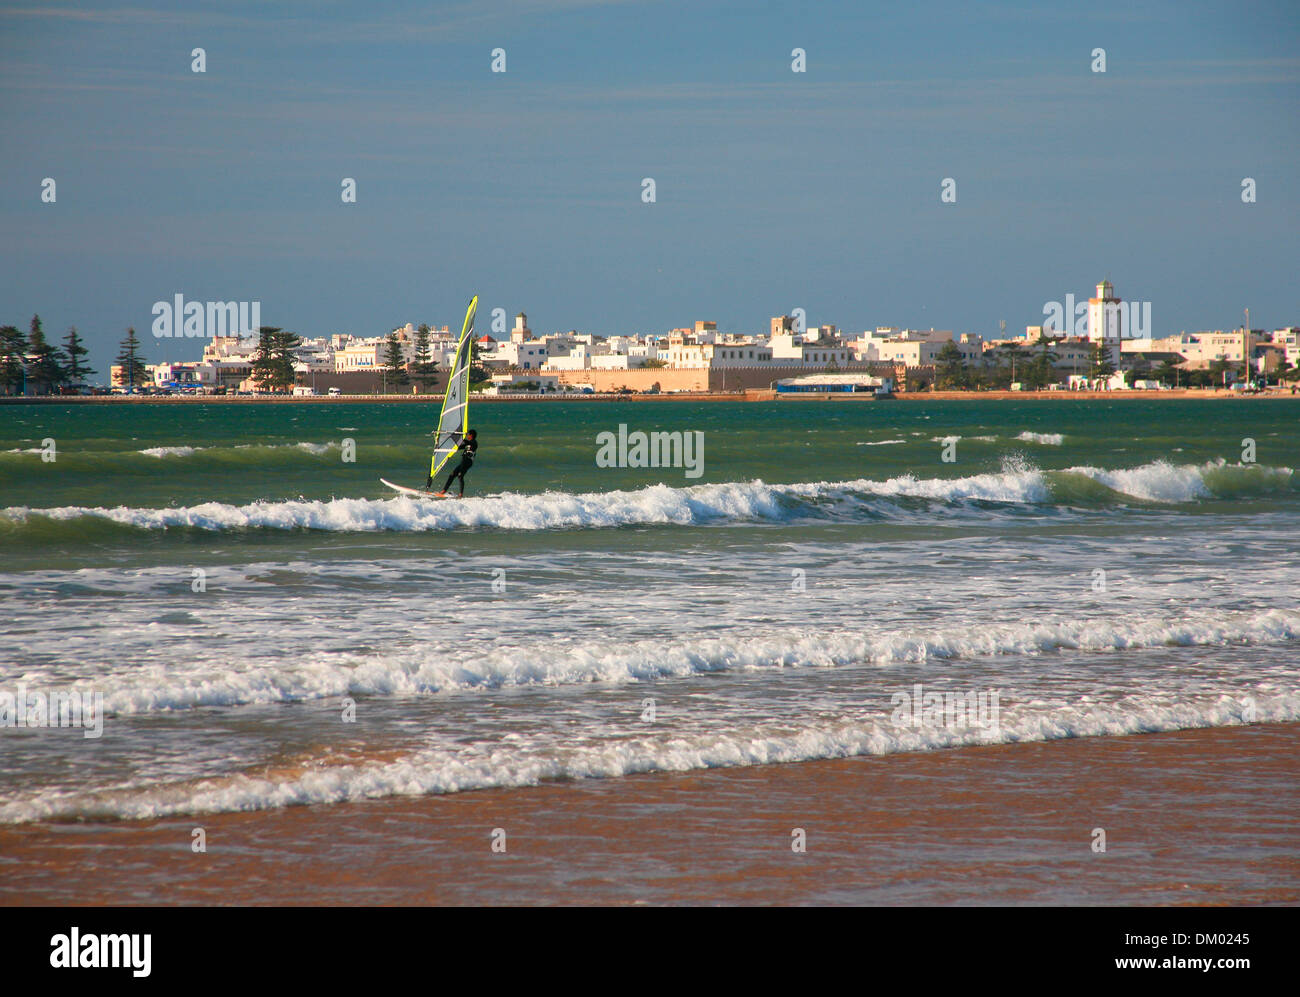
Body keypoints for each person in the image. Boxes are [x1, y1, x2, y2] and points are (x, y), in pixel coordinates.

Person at [430, 429, 477, 497]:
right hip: (463, 462)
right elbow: (458, 447)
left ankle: (460, 494)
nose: (467, 436)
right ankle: (443, 491)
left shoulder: (474, 442)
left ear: (471, 435)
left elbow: (468, 443)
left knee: (460, 476)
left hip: (468, 462)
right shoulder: (468, 443)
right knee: (452, 475)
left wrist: (461, 437)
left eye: (468, 434)